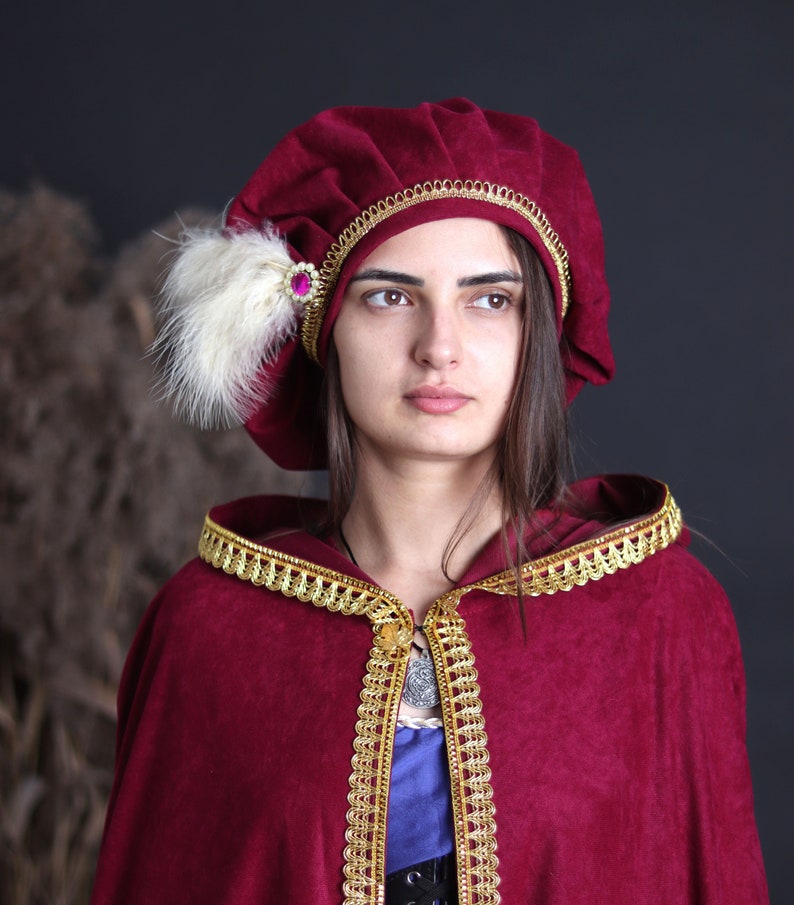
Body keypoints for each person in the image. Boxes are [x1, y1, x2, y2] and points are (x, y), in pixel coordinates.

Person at [90, 99, 768, 904]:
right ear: (324, 325)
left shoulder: (661, 614)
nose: (439, 345)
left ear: (537, 334)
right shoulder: (204, 627)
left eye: (489, 300)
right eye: (389, 295)